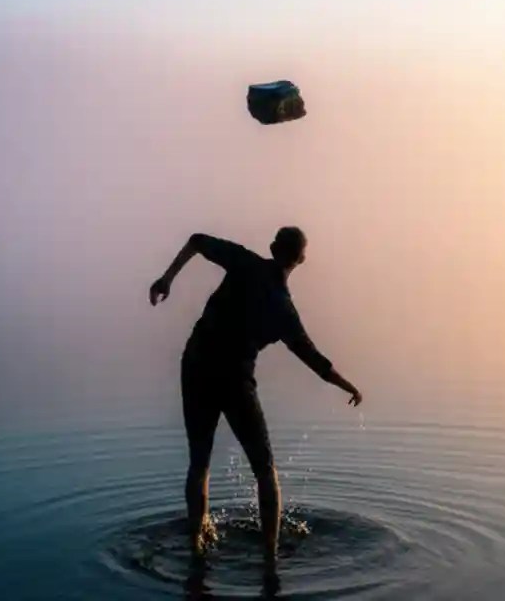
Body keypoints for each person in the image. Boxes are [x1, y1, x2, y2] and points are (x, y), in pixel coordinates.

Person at [149, 227, 362, 579]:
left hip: (197, 365)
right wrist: (348, 385)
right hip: (234, 379)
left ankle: (196, 549)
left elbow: (198, 240)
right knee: (264, 469)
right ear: (301, 259)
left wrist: (166, 278)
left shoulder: (245, 263)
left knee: (199, 462)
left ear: (272, 248)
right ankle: (269, 558)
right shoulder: (283, 309)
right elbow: (313, 359)